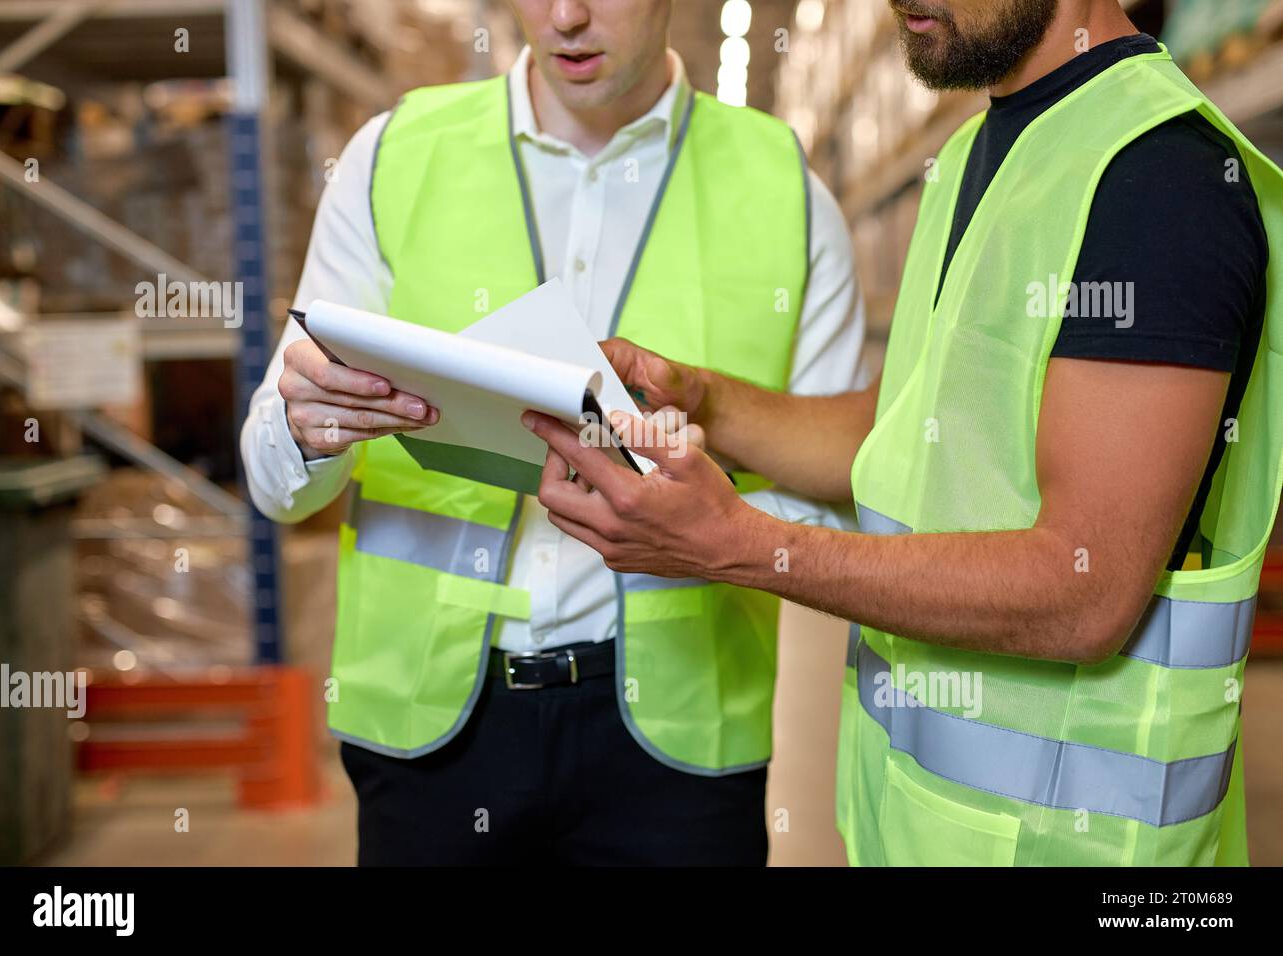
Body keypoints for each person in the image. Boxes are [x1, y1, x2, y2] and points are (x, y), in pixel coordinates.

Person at [526, 0, 1282, 865]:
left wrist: (737, 545)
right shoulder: (975, 153)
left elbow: (1087, 588)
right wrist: (703, 401)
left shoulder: (1158, 178)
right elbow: (899, 433)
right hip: (920, 828)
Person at [240, 0, 870, 865]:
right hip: (427, 735)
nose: (566, 16)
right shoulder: (392, 158)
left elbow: (838, 495)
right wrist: (307, 431)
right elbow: (276, 481)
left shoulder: (785, 191)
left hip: (679, 750)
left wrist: (722, 520)